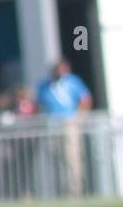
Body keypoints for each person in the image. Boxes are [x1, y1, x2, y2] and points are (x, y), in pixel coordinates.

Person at [36, 58, 93, 195]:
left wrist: (79, 118)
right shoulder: (44, 86)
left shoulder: (73, 82)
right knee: (54, 158)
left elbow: (85, 99)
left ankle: (75, 191)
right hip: (52, 124)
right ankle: (58, 191)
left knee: (72, 158)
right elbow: (39, 105)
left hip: (69, 123)